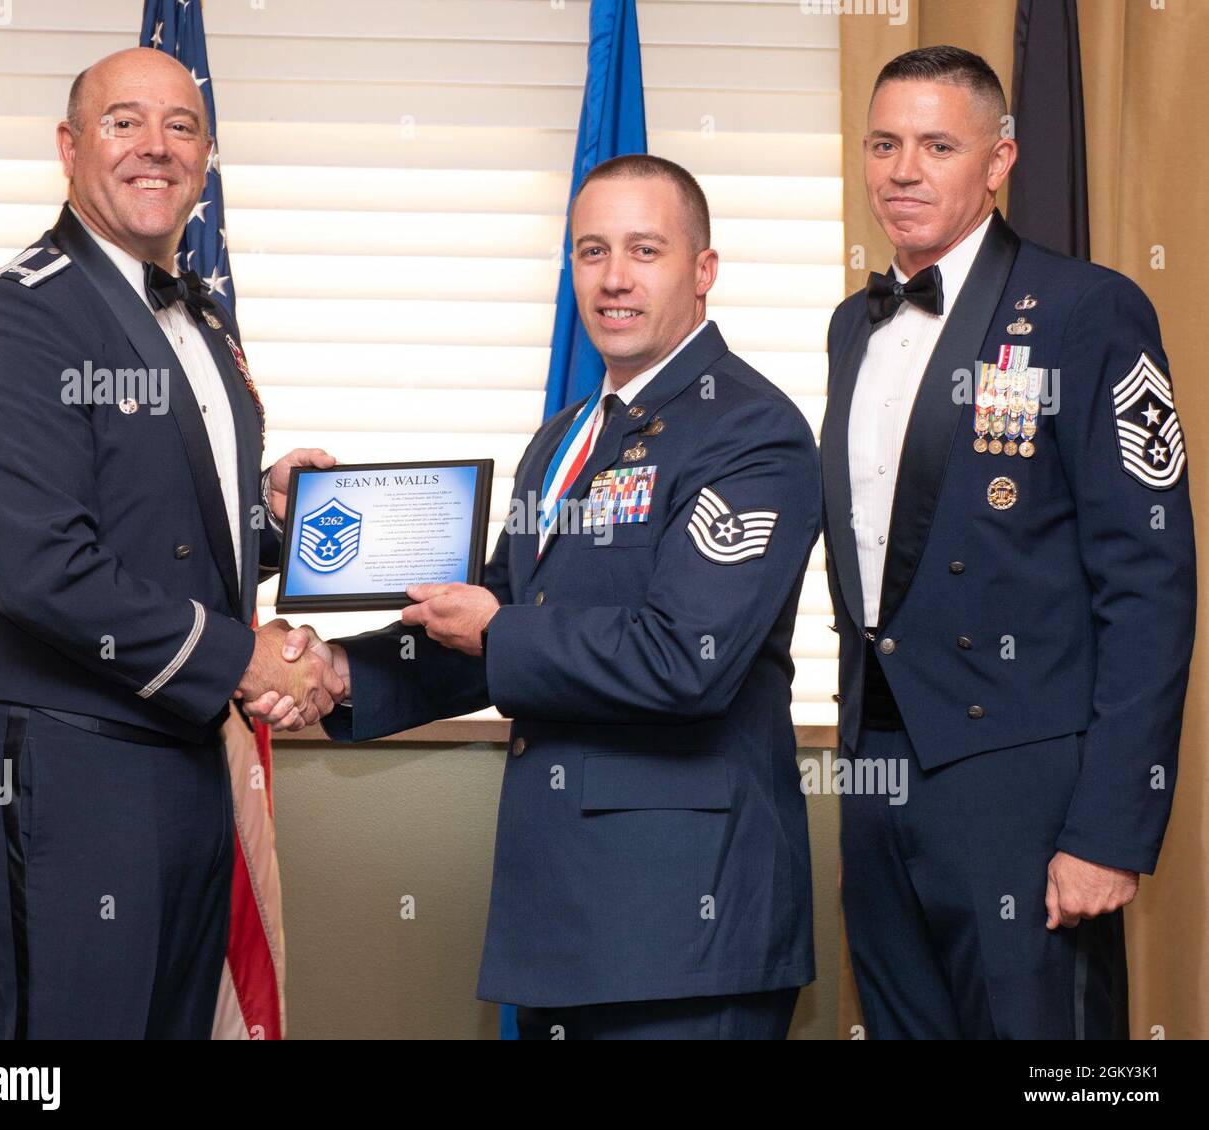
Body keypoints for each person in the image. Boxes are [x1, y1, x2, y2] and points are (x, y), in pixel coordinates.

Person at [250, 155, 822, 1040]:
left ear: (703, 272)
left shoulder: (753, 431)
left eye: (645, 250)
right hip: (566, 922)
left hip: (684, 928)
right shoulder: (564, 440)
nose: (615, 278)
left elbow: (686, 661)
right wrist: (337, 673)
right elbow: (489, 619)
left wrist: (497, 628)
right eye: (592, 252)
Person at [0, 47, 342, 1039]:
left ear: (206, 155)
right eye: (124, 122)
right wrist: (244, 656)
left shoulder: (195, 311)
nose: (154, 147)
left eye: (181, 126)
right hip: (63, 761)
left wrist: (269, 519)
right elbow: (41, 568)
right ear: (70, 149)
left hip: (177, 752)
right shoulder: (16, 318)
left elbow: (156, 531)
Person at [821, 45, 1195, 1039]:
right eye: (884, 144)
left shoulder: (1086, 311)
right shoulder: (848, 328)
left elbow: (1149, 582)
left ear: (998, 161)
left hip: (1020, 778)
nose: (903, 170)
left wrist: (1107, 828)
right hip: (875, 768)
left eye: (938, 145)